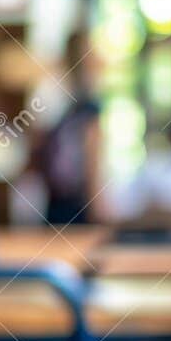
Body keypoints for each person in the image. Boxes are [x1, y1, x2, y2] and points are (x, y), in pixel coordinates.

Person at [31, 32, 103, 225]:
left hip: (54, 207)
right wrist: (100, 213)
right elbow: (92, 169)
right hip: (78, 209)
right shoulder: (89, 111)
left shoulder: (57, 103)